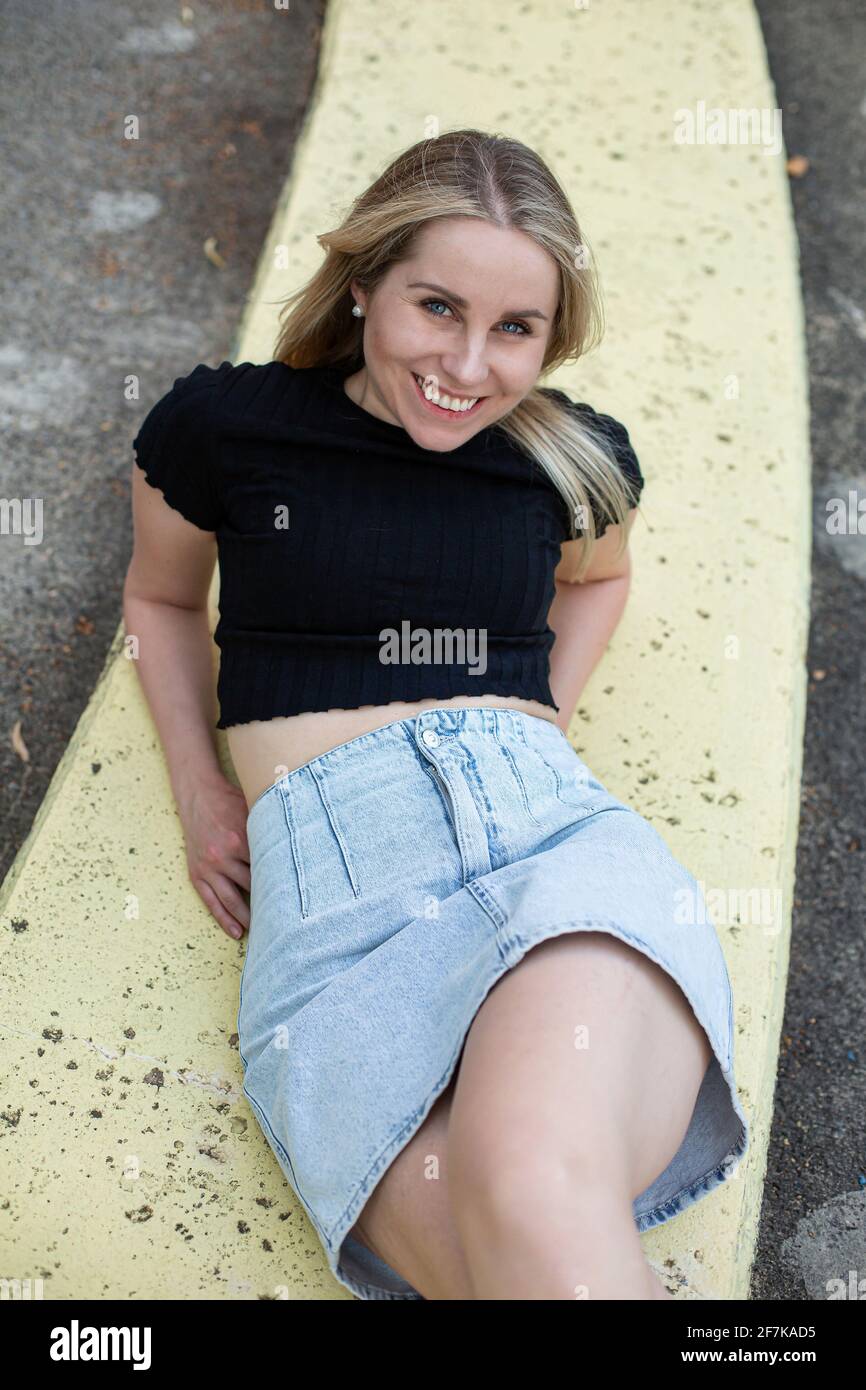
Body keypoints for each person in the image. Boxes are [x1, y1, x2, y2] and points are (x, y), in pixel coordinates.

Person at [124, 128, 749, 1301]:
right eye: (434, 307)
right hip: (334, 912)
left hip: (551, 854)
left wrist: (541, 716)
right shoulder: (225, 426)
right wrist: (200, 787)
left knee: (525, 1184)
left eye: (514, 329)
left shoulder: (570, 457)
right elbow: (160, 600)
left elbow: (600, 578)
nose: (468, 363)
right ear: (360, 282)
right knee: (505, 1269)